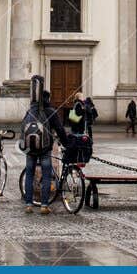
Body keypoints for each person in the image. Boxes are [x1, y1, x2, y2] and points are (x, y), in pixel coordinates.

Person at [20, 79, 66, 214]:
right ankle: (44, 205)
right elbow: (60, 130)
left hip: (30, 149)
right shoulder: (51, 111)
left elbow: (23, 128)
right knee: (46, 175)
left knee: (29, 174)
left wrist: (23, 146)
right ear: (48, 98)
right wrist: (66, 142)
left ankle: (28, 204)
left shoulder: (30, 111)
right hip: (45, 148)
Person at [63, 92, 98, 167]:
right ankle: (79, 158)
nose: (83, 97)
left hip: (77, 126)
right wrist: (84, 109)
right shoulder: (79, 104)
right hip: (78, 127)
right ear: (79, 97)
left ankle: (79, 156)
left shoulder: (78, 104)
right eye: (82, 96)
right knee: (79, 142)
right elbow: (78, 114)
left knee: (78, 141)